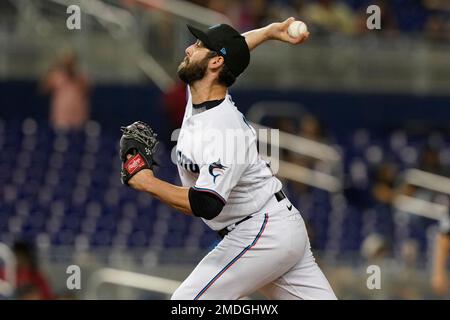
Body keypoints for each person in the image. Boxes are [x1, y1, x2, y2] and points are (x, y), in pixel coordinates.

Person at [125, 18, 337, 300]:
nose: (189, 48)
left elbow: (207, 203)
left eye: (199, 45)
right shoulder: (201, 90)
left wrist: (146, 181)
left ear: (214, 64)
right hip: (273, 227)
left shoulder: (225, 129)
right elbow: (233, 50)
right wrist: (269, 32)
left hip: (260, 232)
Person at [40, 52, 90, 130]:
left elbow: (88, 90)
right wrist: (54, 66)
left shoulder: (81, 77)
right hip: (61, 118)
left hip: (78, 119)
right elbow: (43, 89)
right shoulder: (56, 75)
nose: (69, 64)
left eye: (71, 62)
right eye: (66, 62)